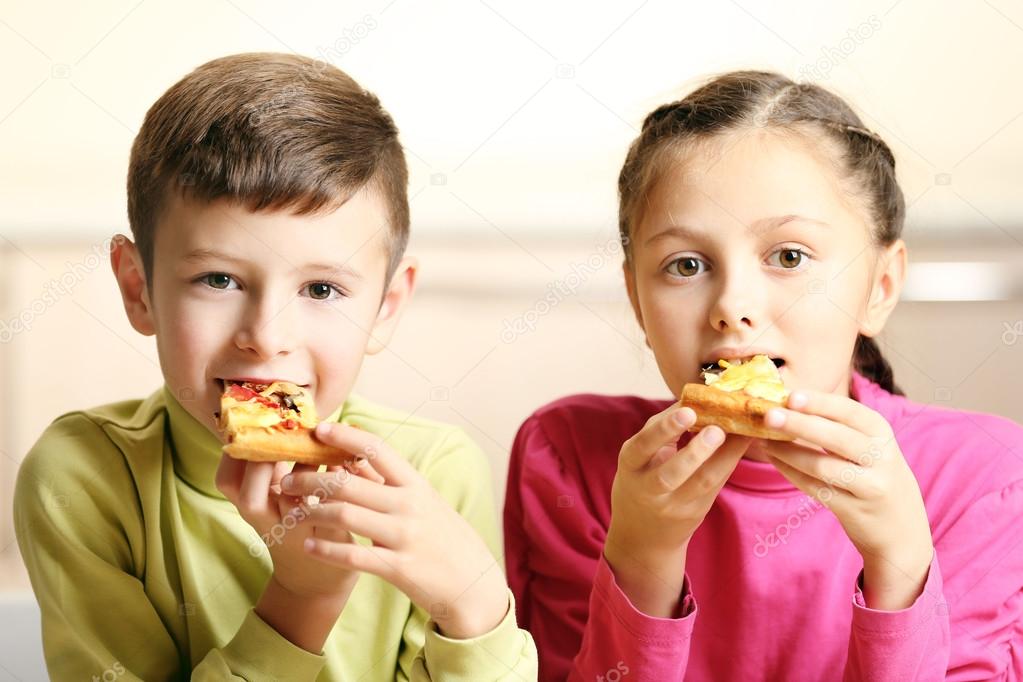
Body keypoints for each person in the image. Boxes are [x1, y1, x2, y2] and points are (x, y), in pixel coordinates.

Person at [14, 52, 536, 681]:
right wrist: (304, 599)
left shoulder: (433, 473)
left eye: (321, 290)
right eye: (218, 279)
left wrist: (473, 606)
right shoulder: (84, 479)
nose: (265, 338)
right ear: (139, 288)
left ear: (387, 306)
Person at [504, 70, 1023, 680]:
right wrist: (642, 557)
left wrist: (901, 564)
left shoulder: (986, 475)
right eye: (686, 264)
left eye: (789, 256)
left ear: (879, 287)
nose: (732, 305)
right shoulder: (569, 456)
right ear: (636, 300)